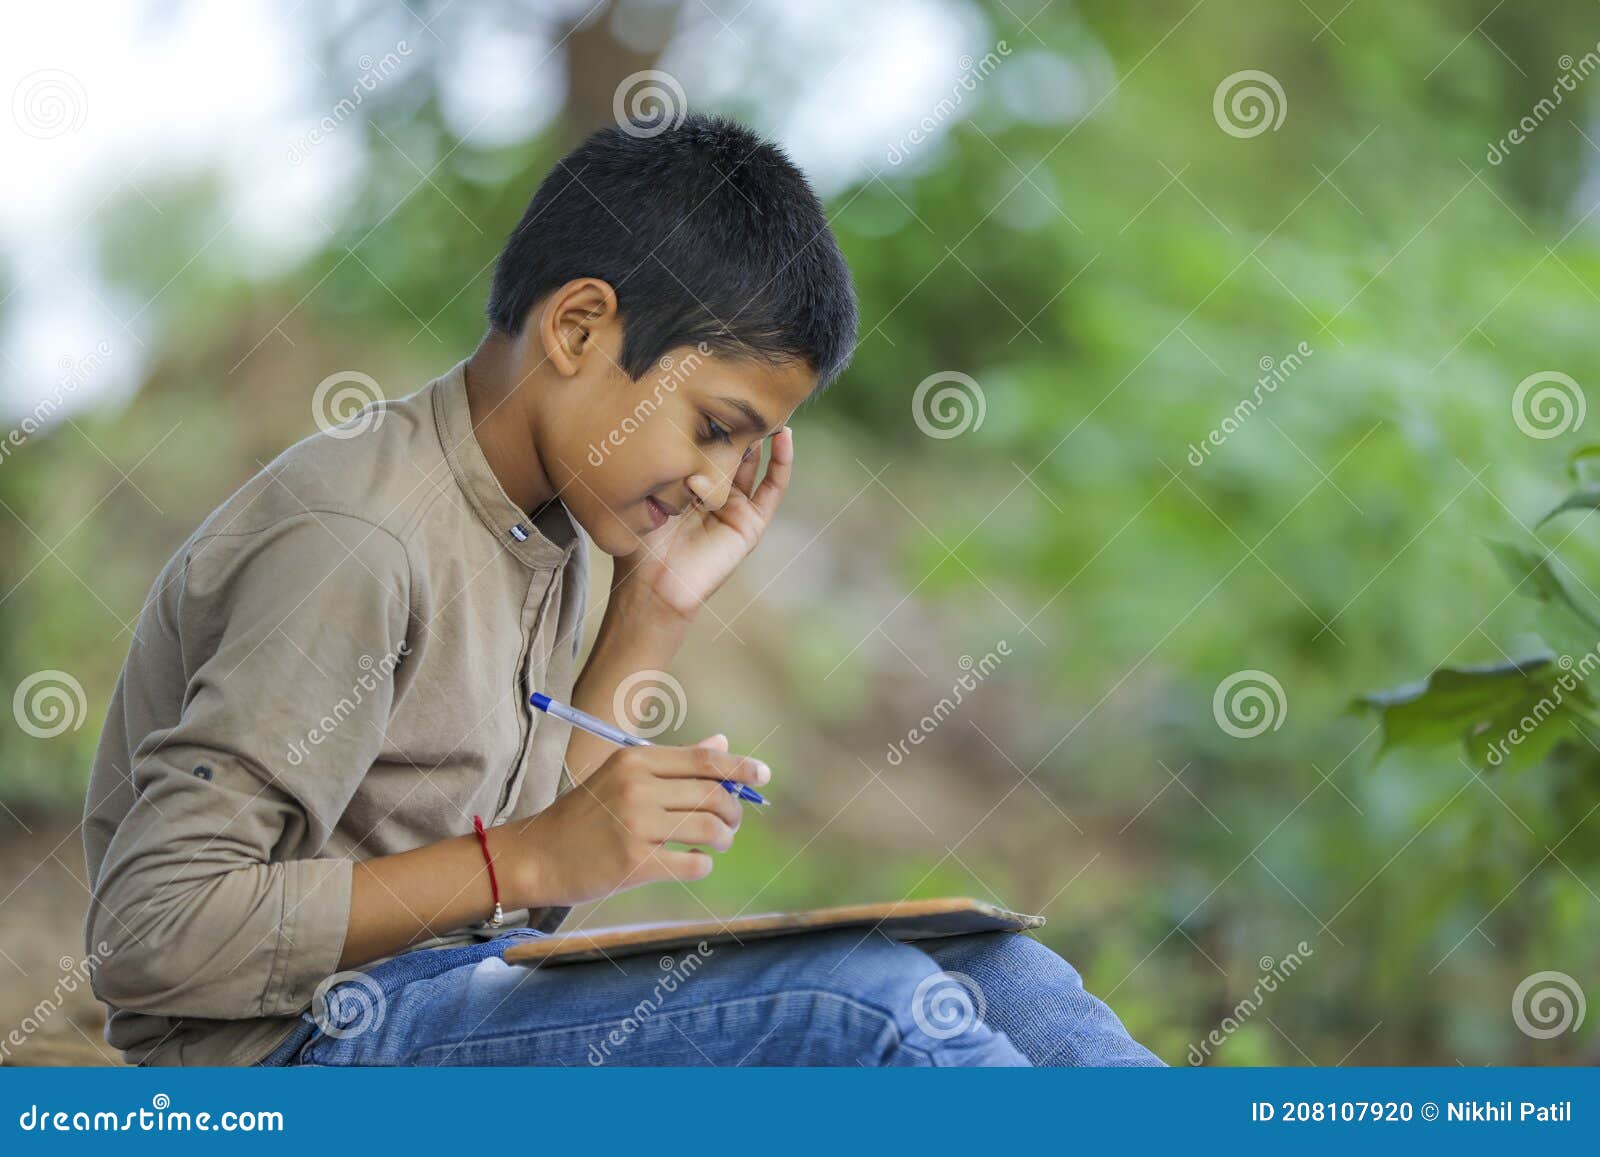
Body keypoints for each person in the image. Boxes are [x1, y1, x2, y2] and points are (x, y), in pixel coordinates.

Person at [82, 112, 1162, 1068]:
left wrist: (652, 613)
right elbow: (151, 931)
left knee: (1002, 974)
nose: (716, 484)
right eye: (714, 427)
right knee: (870, 1006)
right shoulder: (358, 539)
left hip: (440, 1002)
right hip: (296, 1056)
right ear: (579, 328)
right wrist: (526, 855)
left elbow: (519, 907)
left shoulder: (542, 519)